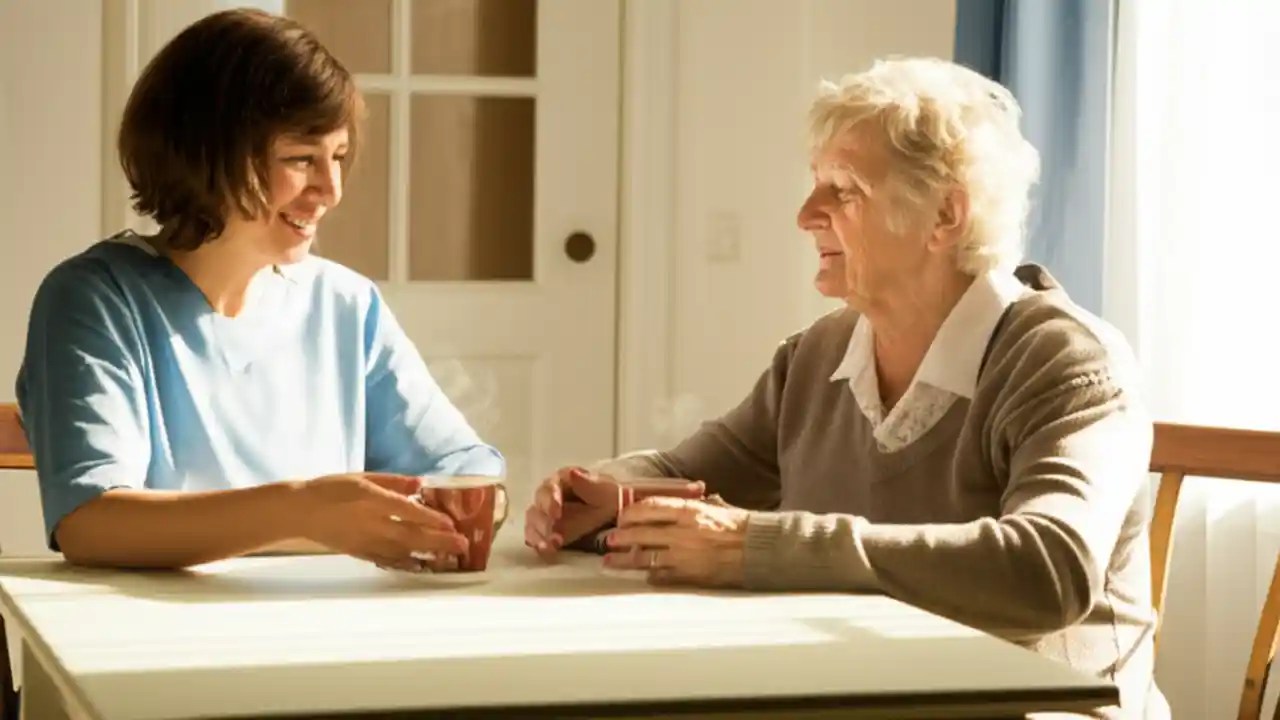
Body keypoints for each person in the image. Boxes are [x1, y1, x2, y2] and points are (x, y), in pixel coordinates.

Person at [525, 57, 1168, 719]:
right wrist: (605, 494)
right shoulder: (817, 357)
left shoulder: (1064, 362)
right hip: (867, 698)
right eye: (815, 184)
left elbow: (1050, 570)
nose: (807, 214)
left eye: (844, 189)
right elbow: (682, 475)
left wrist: (759, 546)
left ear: (945, 214)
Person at [14, 8, 503, 573]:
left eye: (339, 158)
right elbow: (90, 523)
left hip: (334, 620)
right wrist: (301, 510)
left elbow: (464, 469)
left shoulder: (346, 305)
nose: (331, 190)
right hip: (160, 624)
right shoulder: (95, 300)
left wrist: (511, 506)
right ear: (206, 156)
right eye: (301, 159)